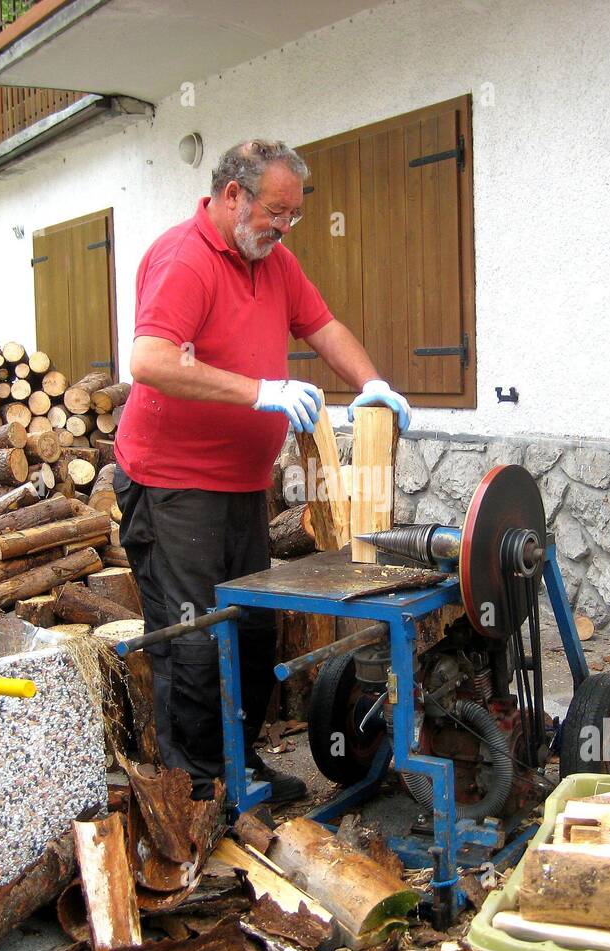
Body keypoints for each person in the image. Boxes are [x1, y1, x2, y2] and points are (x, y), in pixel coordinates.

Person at [114, 139, 411, 802]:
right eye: (275, 211)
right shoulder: (184, 258)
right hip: (171, 485)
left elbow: (323, 324)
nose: (282, 227)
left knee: (250, 627)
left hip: (240, 483)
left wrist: (373, 384)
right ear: (231, 196)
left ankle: (239, 767)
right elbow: (152, 360)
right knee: (192, 637)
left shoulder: (274, 262)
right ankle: (194, 795)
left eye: (293, 216)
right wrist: (260, 392)